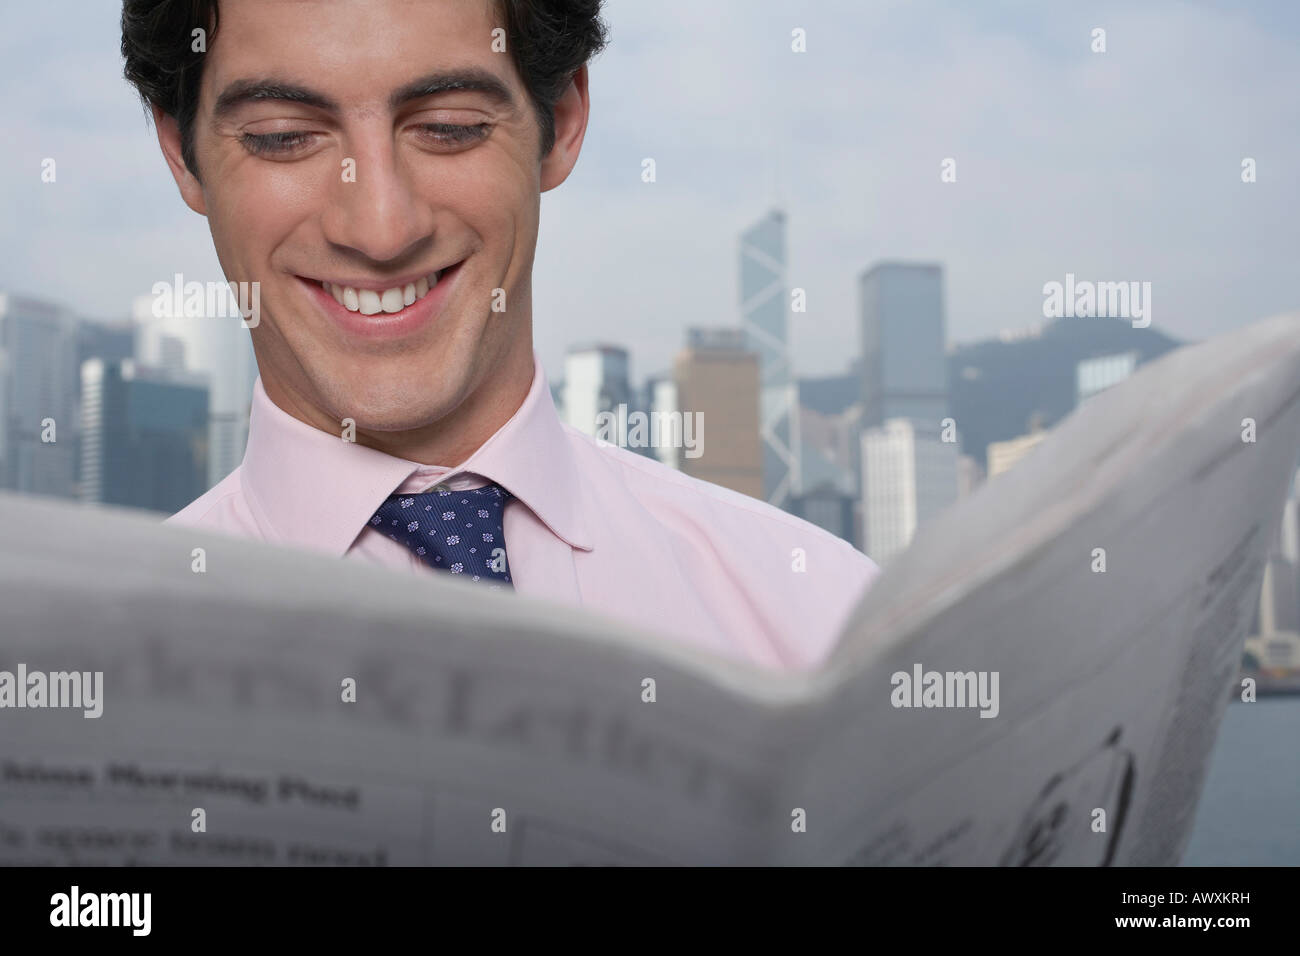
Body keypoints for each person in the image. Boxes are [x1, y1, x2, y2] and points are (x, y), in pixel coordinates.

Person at [122, 0, 878, 670]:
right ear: (182, 153)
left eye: (449, 128)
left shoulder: (822, 620)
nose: (381, 227)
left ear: (564, 121)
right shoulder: (92, 678)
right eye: (284, 138)